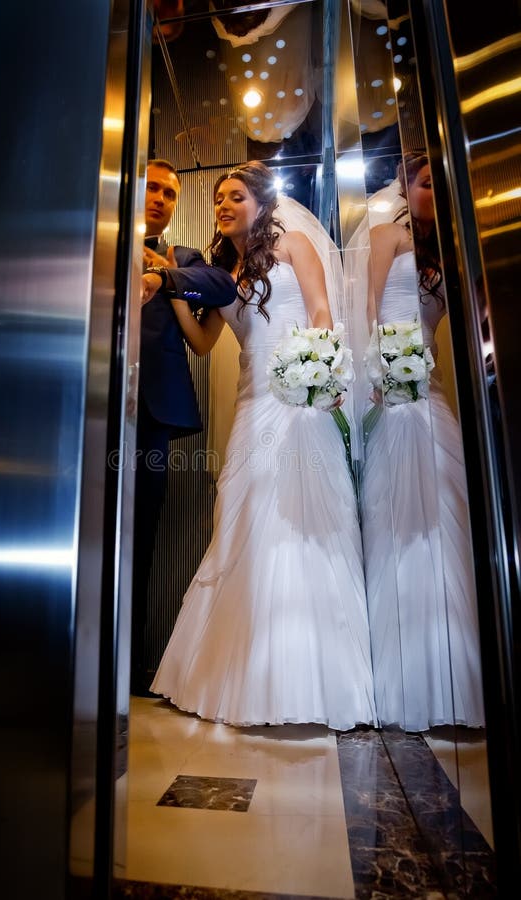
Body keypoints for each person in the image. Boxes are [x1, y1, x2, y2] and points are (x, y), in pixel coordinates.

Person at [149, 160, 377, 730]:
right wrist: (177, 284)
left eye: (236, 196)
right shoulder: (222, 273)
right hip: (253, 408)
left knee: (302, 525)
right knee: (242, 528)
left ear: (261, 203)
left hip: (300, 404)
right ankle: (240, 673)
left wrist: (319, 371)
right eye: (218, 198)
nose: (224, 205)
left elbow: (322, 311)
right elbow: (202, 344)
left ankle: (313, 674)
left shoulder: (295, 243)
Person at [361, 151, 485, 731]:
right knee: (400, 524)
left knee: (448, 518)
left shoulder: (452, 250)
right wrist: (375, 370)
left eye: (441, 184)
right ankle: (402, 681)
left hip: (429, 392)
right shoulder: (386, 234)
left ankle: (461, 677)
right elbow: (365, 307)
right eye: (426, 183)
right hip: (389, 391)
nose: (434, 193)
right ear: (405, 188)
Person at [131, 159, 237, 696]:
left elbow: (220, 285)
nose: (158, 199)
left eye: (168, 194)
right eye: (150, 188)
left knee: (141, 533)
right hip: (90, 407)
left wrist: (162, 273)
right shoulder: (99, 241)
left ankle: (126, 669)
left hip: (151, 414)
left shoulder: (184, 257)